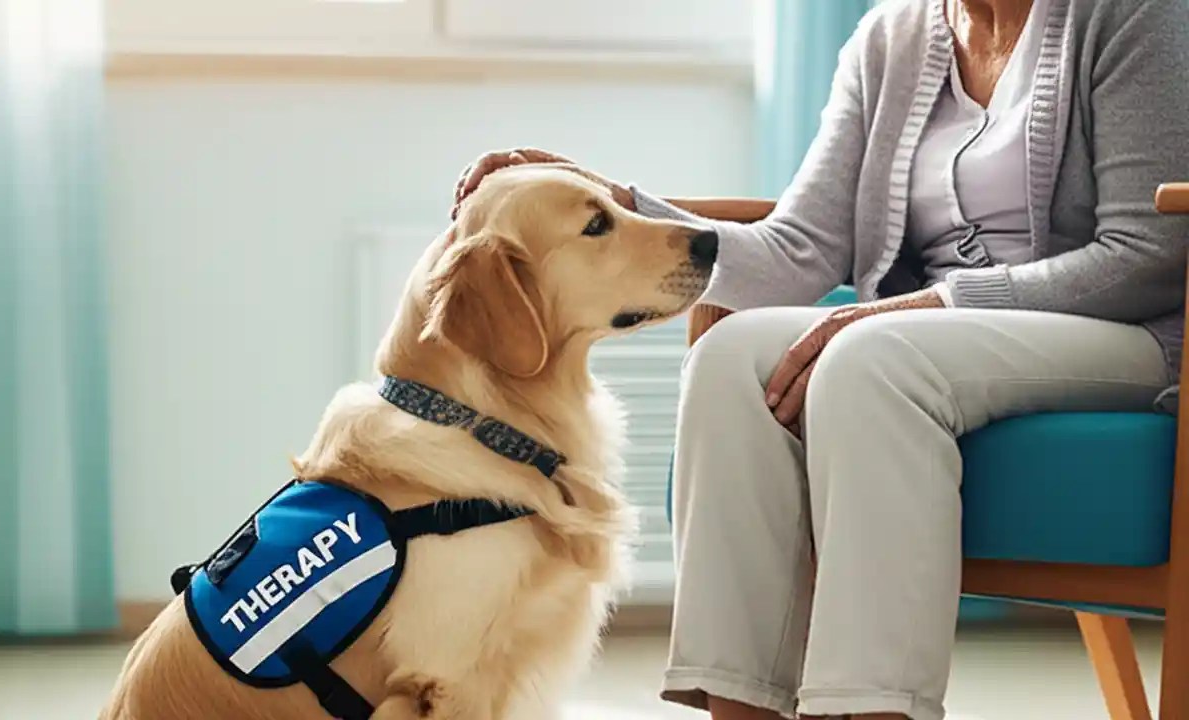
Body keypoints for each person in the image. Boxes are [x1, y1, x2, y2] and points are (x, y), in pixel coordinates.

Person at [452, 0, 1189, 717]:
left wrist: (918, 306)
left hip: (1116, 336)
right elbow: (794, 251)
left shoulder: (1133, 14)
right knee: (730, 355)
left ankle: (873, 710)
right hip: (927, 341)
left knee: (870, 355)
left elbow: (1146, 255)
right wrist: (615, 201)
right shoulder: (892, 36)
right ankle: (739, 705)